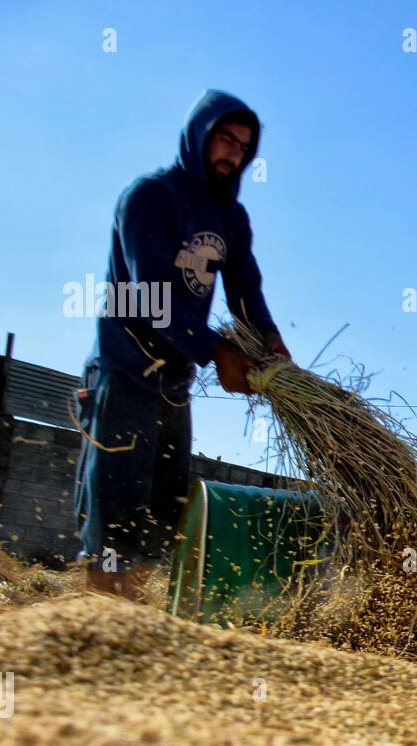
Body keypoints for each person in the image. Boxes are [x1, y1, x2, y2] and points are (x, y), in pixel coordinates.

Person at [75, 90, 290, 600]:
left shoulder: (231, 219)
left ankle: (129, 629)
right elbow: (152, 299)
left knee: (156, 518)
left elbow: (245, 292)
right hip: (125, 374)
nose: (233, 154)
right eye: (224, 139)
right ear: (199, 135)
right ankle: (97, 623)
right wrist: (218, 352)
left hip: (175, 384)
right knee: (114, 520)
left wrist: (272, 343)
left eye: (243, 147)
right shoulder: (151, 197)